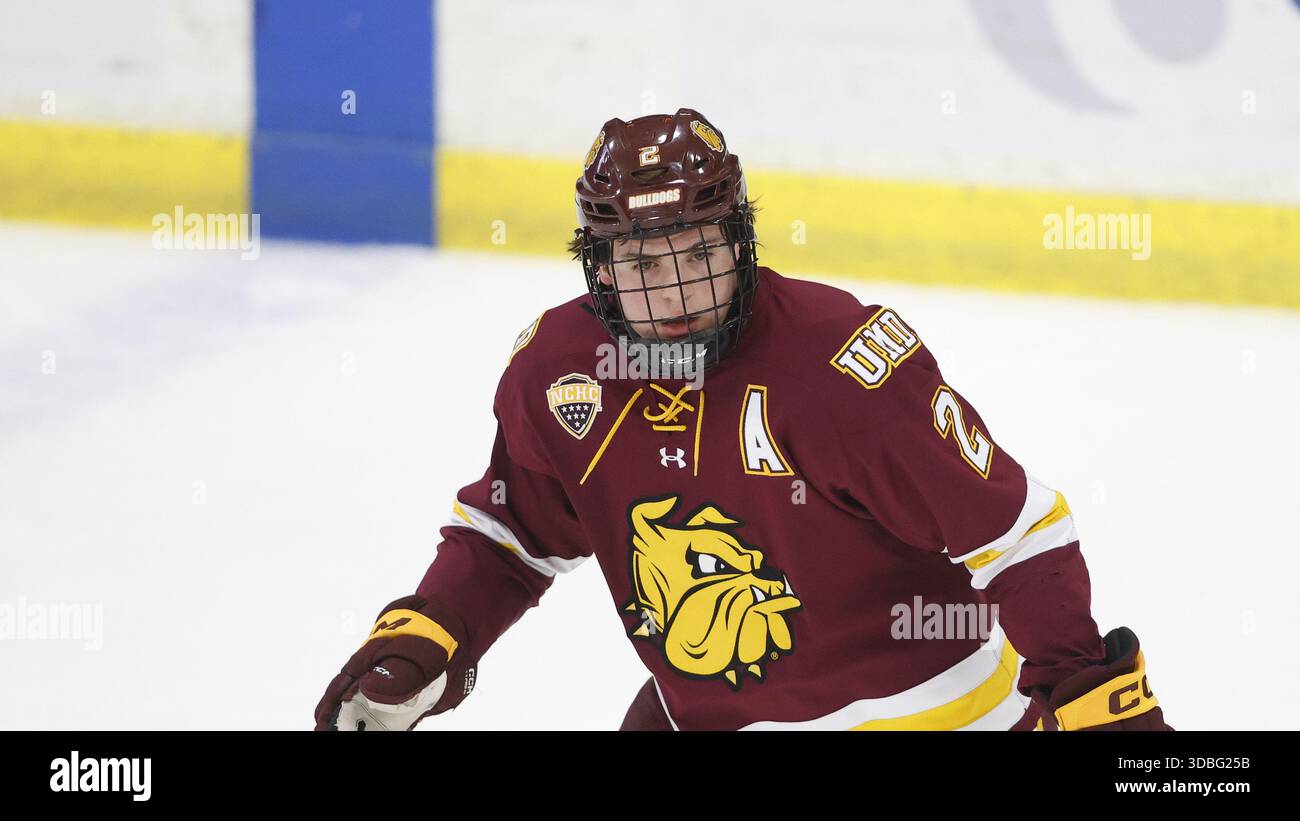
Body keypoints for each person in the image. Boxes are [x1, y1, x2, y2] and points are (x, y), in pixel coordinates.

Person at [314, 108, 1170, 731]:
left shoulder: (840, 367)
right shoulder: (558, 374)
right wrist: (430, 634)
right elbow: (510, 536)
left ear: (742, 242)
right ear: (598, 269)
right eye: (646, 260)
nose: (678, 292)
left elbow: (1018, 533)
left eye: (699, 252)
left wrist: (1086, 692)